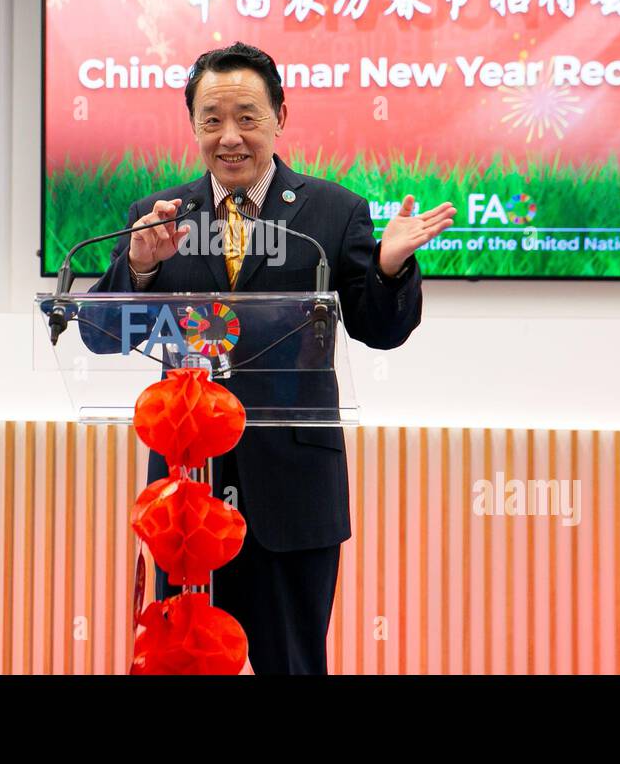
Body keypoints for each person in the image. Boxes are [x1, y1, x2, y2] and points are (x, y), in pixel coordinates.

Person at [88, 42, 455, 674]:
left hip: (292, 494)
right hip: (187, 499)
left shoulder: (333, 212)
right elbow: (100, 334)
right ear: (194, 125)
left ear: (280, 115)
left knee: (293, 665)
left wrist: (391, 270)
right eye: (211, 119)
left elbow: (380, 328)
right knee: (182, 665)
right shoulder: (160, 216)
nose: (230, 137)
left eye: (248, 117)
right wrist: (141, 268)